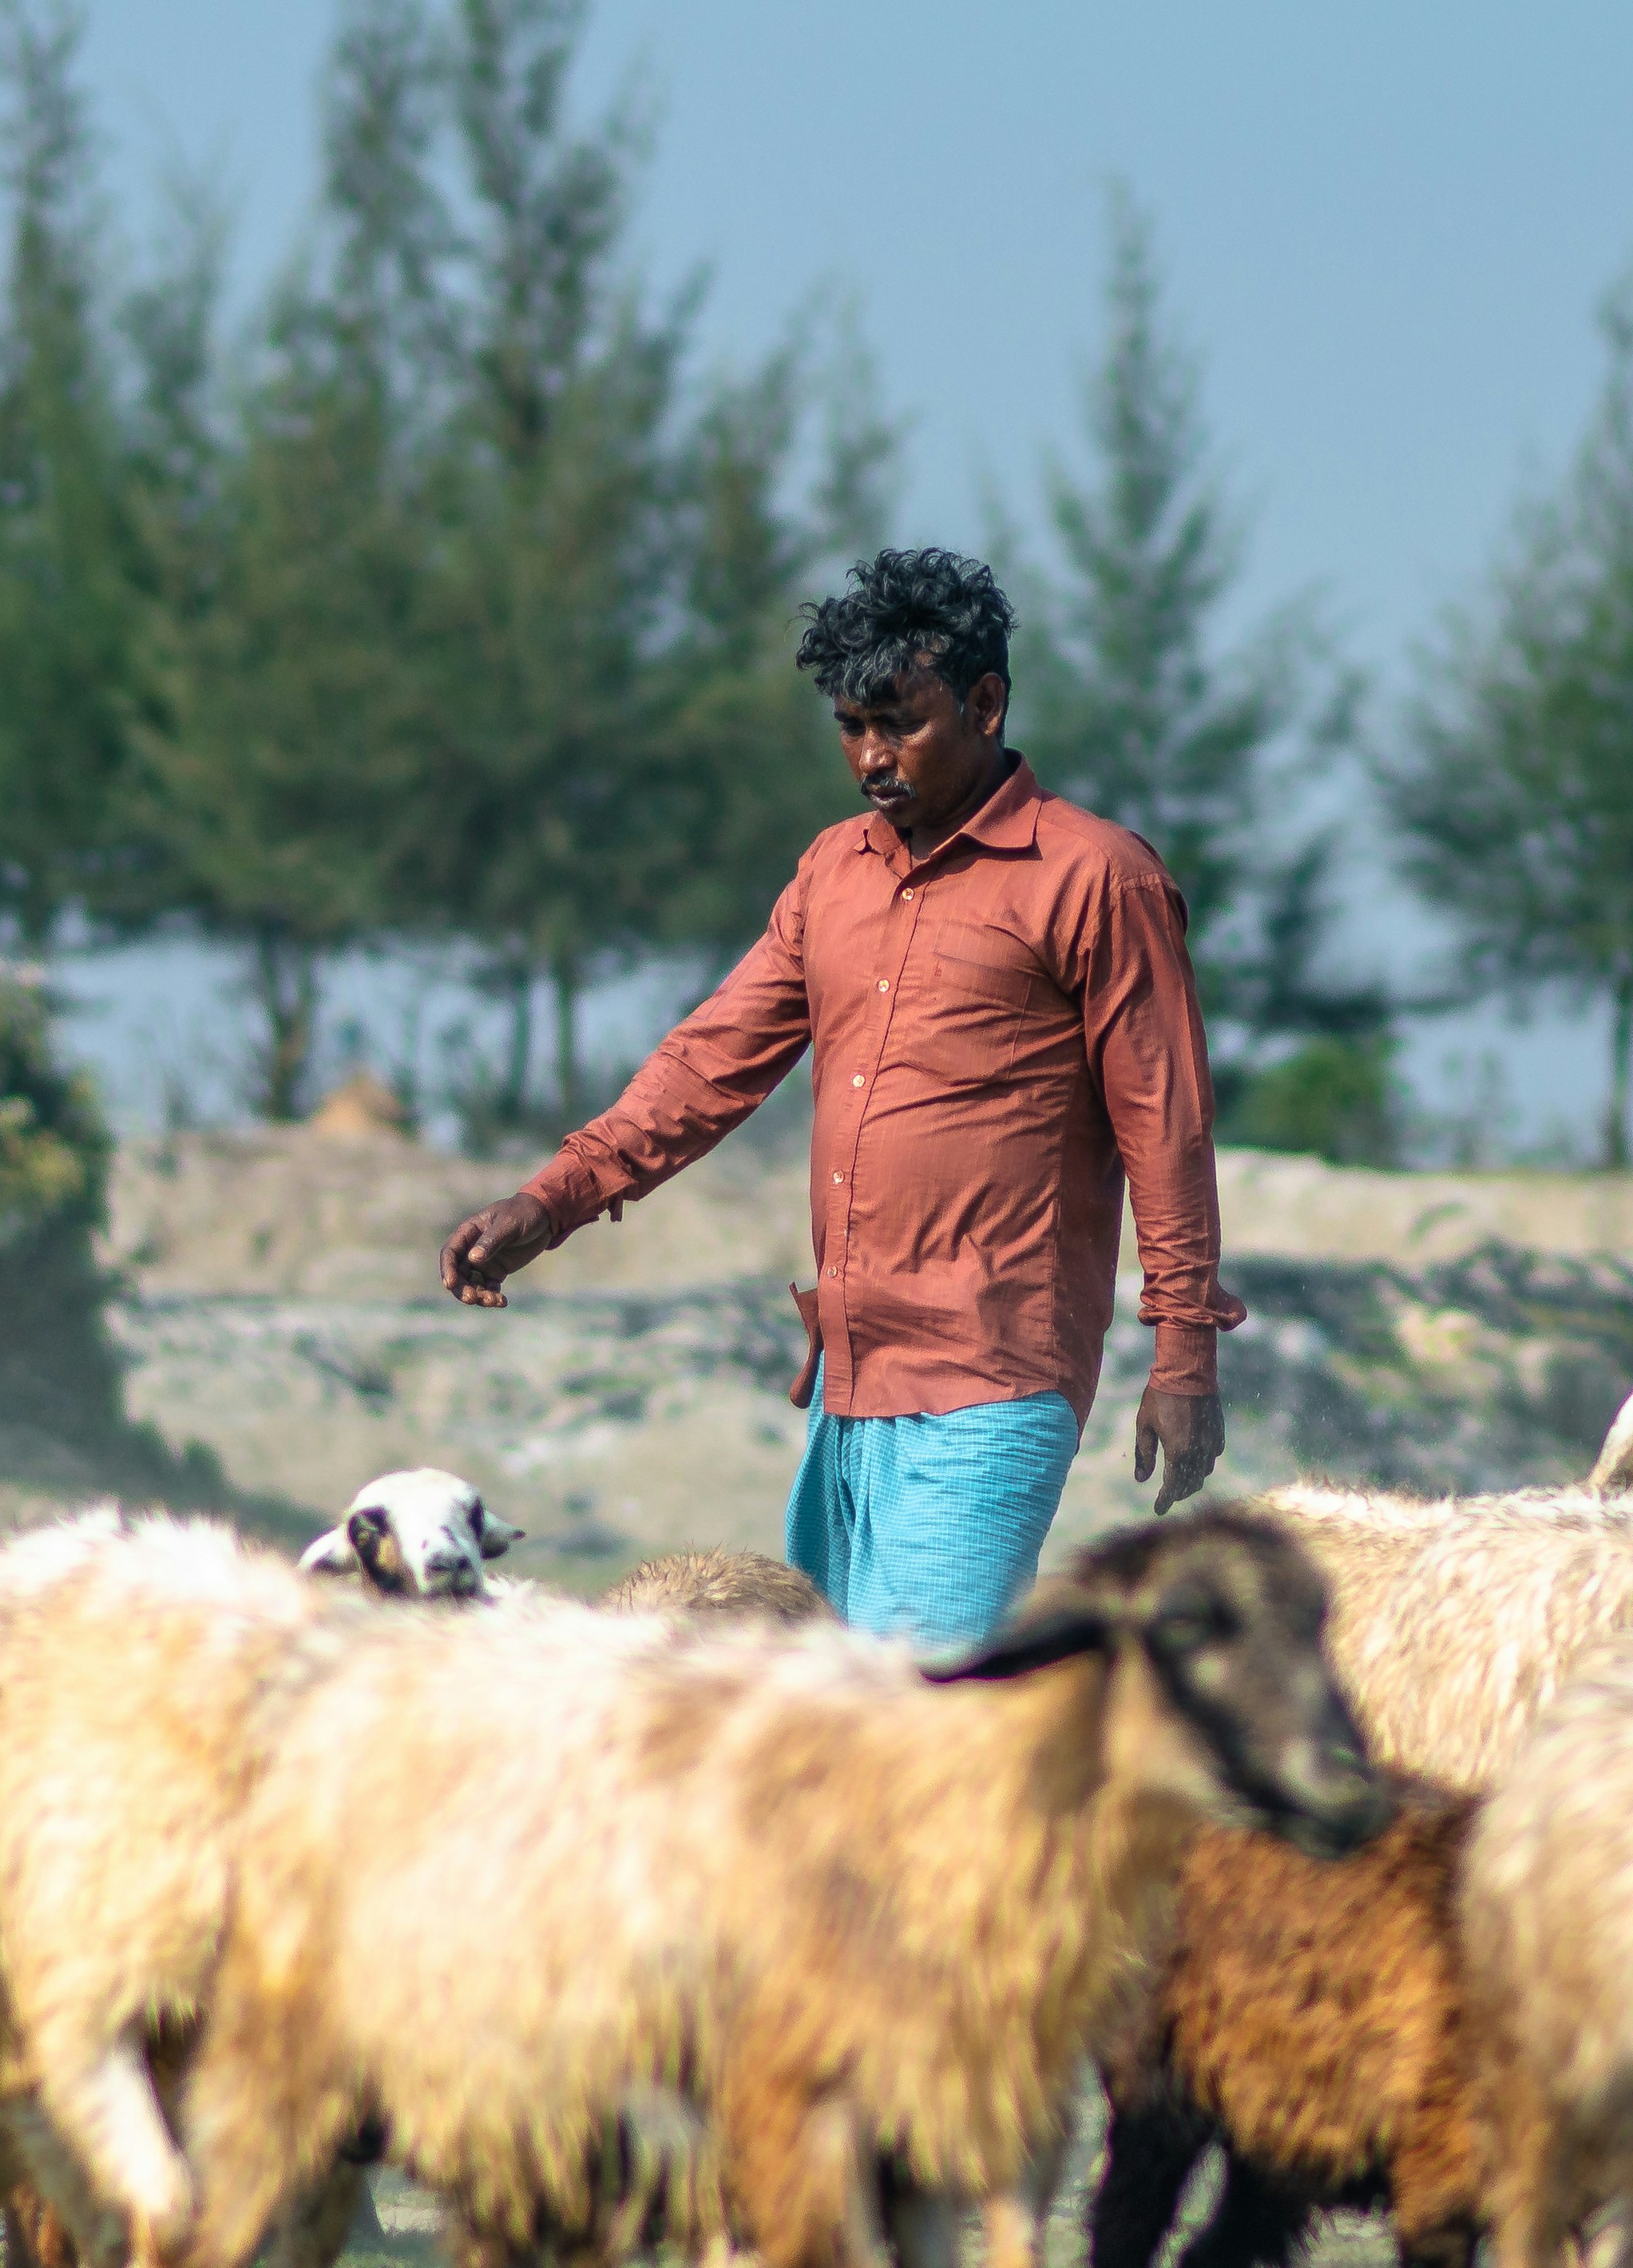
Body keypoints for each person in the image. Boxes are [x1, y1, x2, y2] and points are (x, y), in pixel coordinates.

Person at [433, 548, 1236, 1649]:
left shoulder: (1095, 877)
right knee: (826, 1730)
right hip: (844, 1390)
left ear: (986, 700)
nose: (870, 757)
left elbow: (1168, 1127)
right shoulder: (832, 872)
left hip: (992, 1379)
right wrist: (552, 1198)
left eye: (898, 722)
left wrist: (1184, 1354)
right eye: (850, 727)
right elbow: (707, 1061)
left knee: (915, 1720)